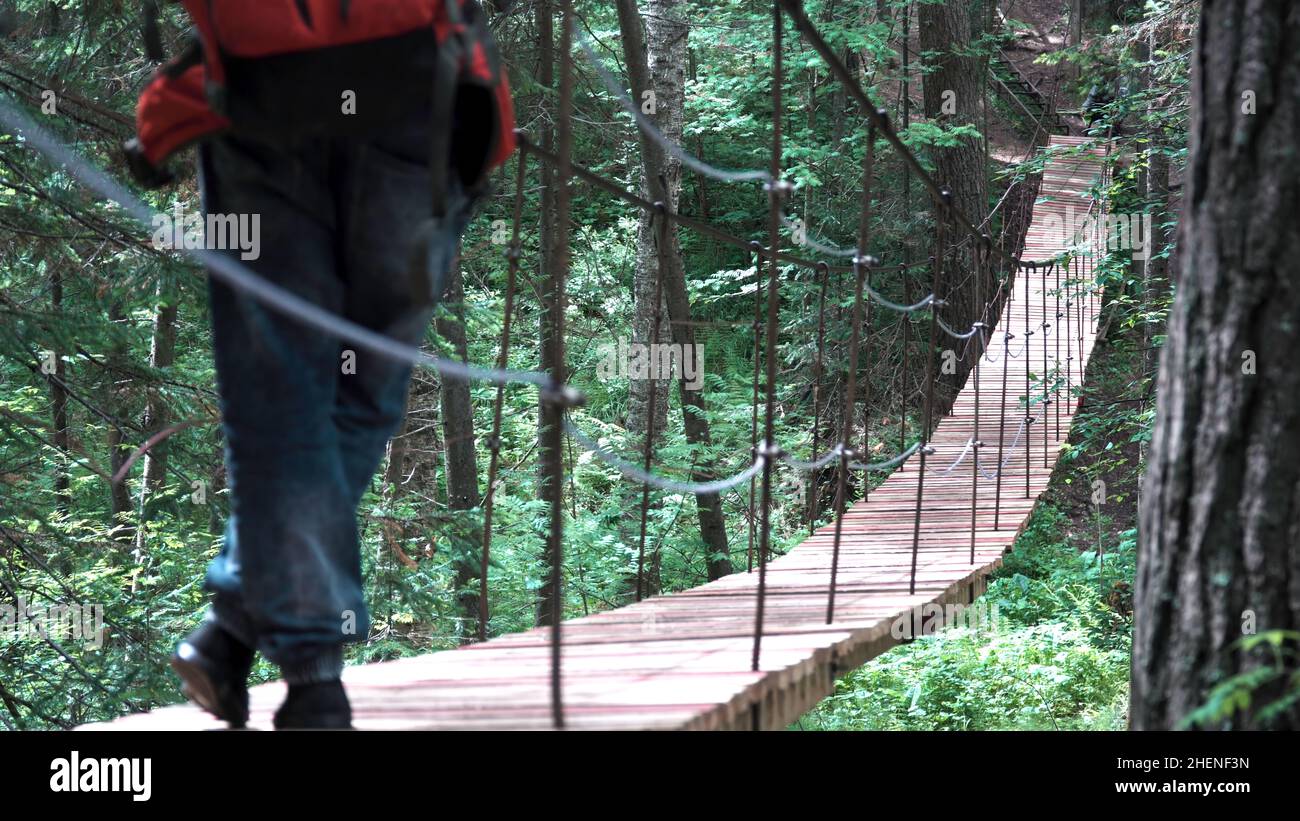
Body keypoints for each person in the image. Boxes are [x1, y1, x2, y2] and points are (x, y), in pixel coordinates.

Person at [128, 1, 514, 729]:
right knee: (361, 391)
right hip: (412, 91)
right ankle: (308, 675)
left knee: (281, 393)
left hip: (257, 92)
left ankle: (240, 627)